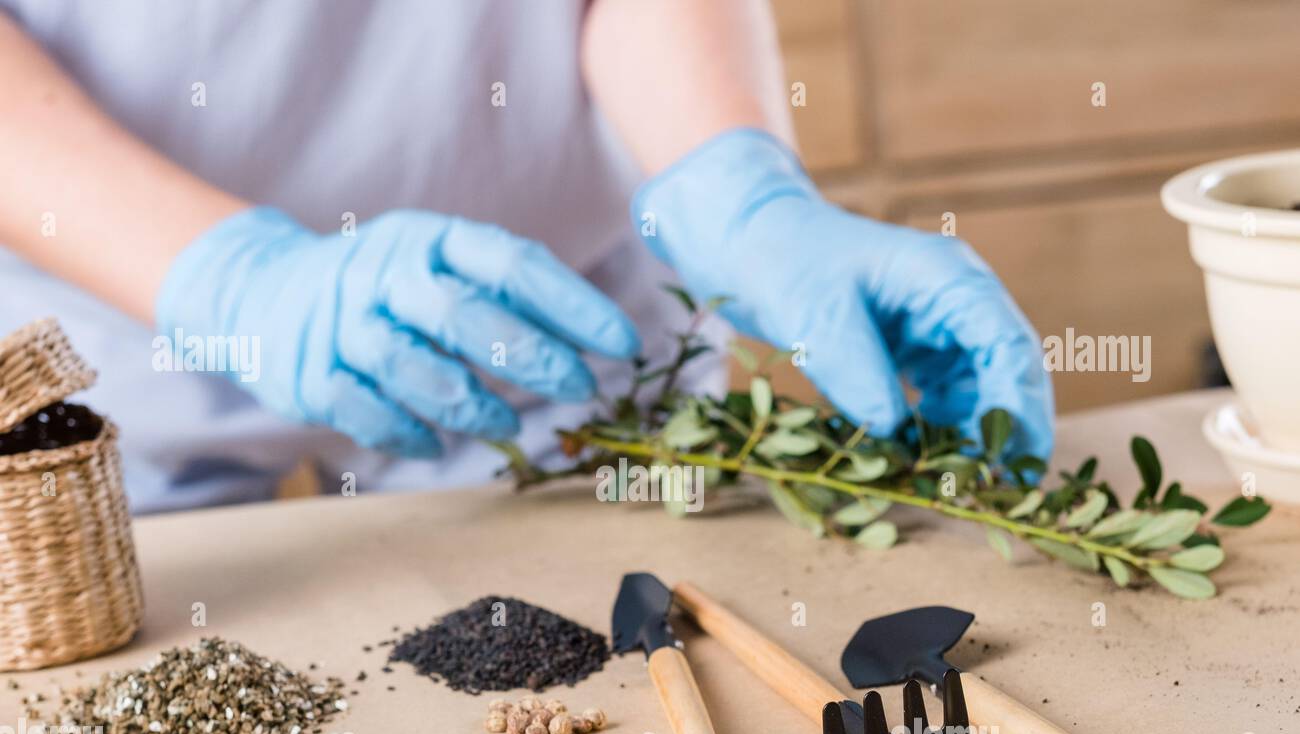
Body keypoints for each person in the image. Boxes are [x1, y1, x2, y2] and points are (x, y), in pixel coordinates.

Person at [0, 0, 1052, 513]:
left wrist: (737, 187)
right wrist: (230, 281)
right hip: (111, 317)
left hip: (552, 315)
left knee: (601, 686)